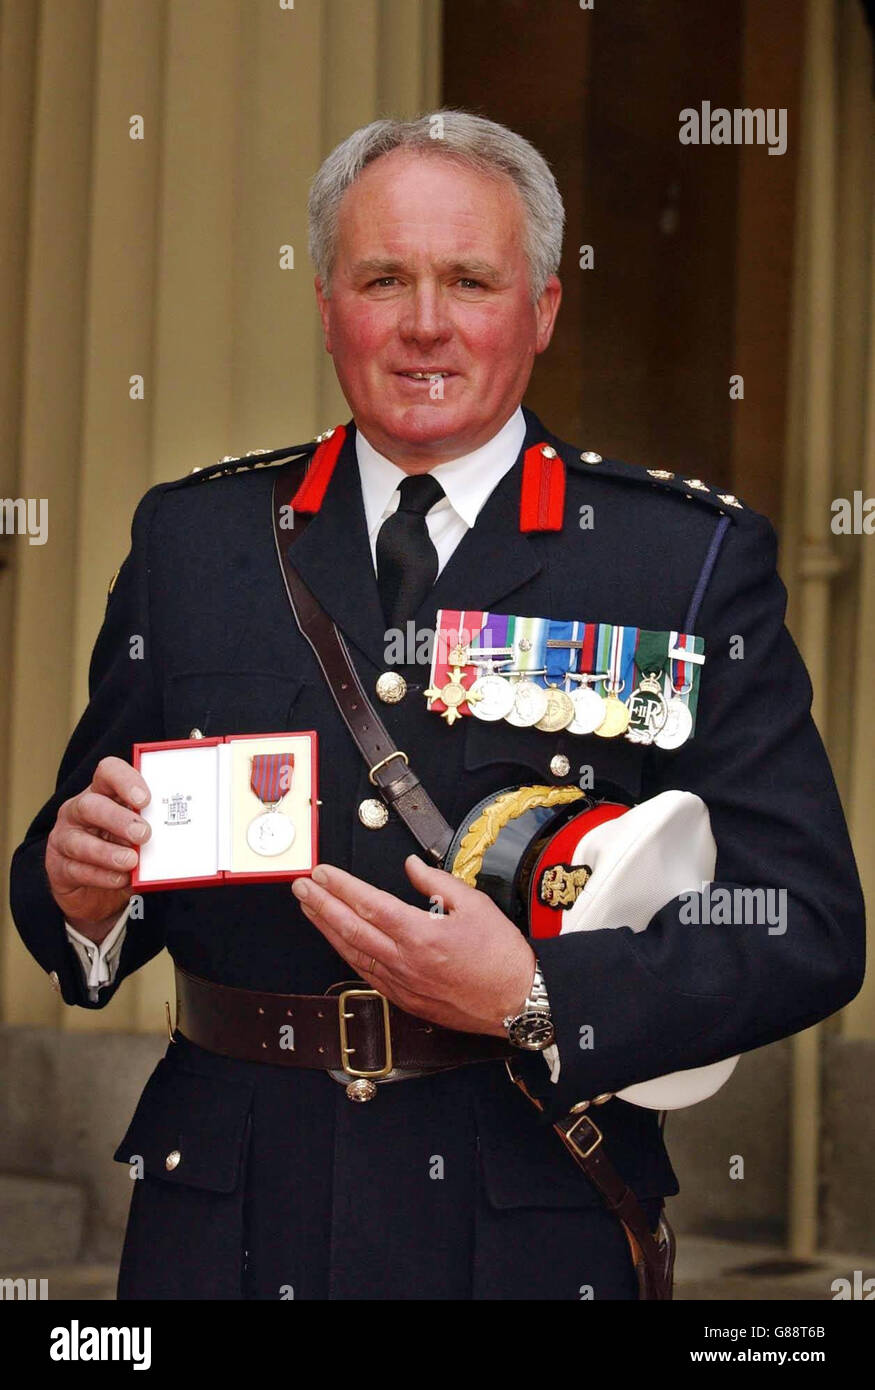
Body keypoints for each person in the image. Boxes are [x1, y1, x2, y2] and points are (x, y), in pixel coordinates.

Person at [9, 110, 865, 1301]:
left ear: (542, 310)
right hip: (231, 1217)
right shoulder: (193, 544)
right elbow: (82, 866)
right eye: (382, 279)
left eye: (470, 280)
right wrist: (81, 890)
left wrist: (534, 996)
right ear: (325, 306)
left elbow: (804, 924)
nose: (423, 323)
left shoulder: (677, 564)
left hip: (526, 1216)